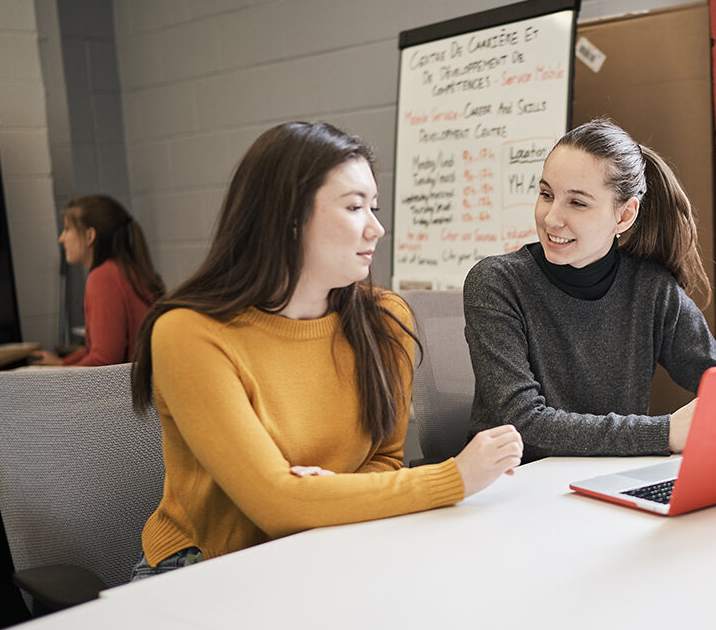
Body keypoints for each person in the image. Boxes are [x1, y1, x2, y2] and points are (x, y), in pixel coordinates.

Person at [128, 121, 522, 580]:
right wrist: (455, 478)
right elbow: (275, 505)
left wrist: (329, 496)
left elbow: (384, 460)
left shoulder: (385, 319)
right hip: (208, 570)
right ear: (288, 219)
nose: (376, 228)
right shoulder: (190, 332)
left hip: (334, 544)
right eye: (355, 207)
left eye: (374, 207)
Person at [464, 118, 716, 462]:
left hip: (608, 482)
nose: (551, 218)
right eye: (546, 194)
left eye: (577, 203)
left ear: (624, 216)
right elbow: (523, 426)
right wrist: (665, 432)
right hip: (519, 489)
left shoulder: (651, 290)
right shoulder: (496, 282)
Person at [32, 195, 164, 366]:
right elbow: (95, 350)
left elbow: (104, 360)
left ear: (89, 236)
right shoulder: (126, 269)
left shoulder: (104, 277)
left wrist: (61, 376)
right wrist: (61, 364)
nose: (61, 238)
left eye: (67, 229)